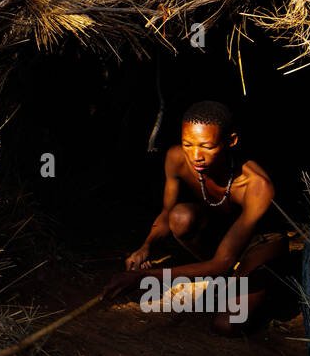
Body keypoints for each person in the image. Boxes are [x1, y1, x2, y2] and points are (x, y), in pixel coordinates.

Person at [102, 100, 288, 334]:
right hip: (222, 237)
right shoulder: (177, 158)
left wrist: (143, 276)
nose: (195, 156)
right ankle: (229, 282)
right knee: (180, 216)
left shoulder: (257, 185)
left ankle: (271, 286)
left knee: (227, 324)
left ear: (231, 141)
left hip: (260, 243)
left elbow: (222, 263)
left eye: (207, 147)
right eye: (187, 144)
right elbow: (167, 212)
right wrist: (146, 246)